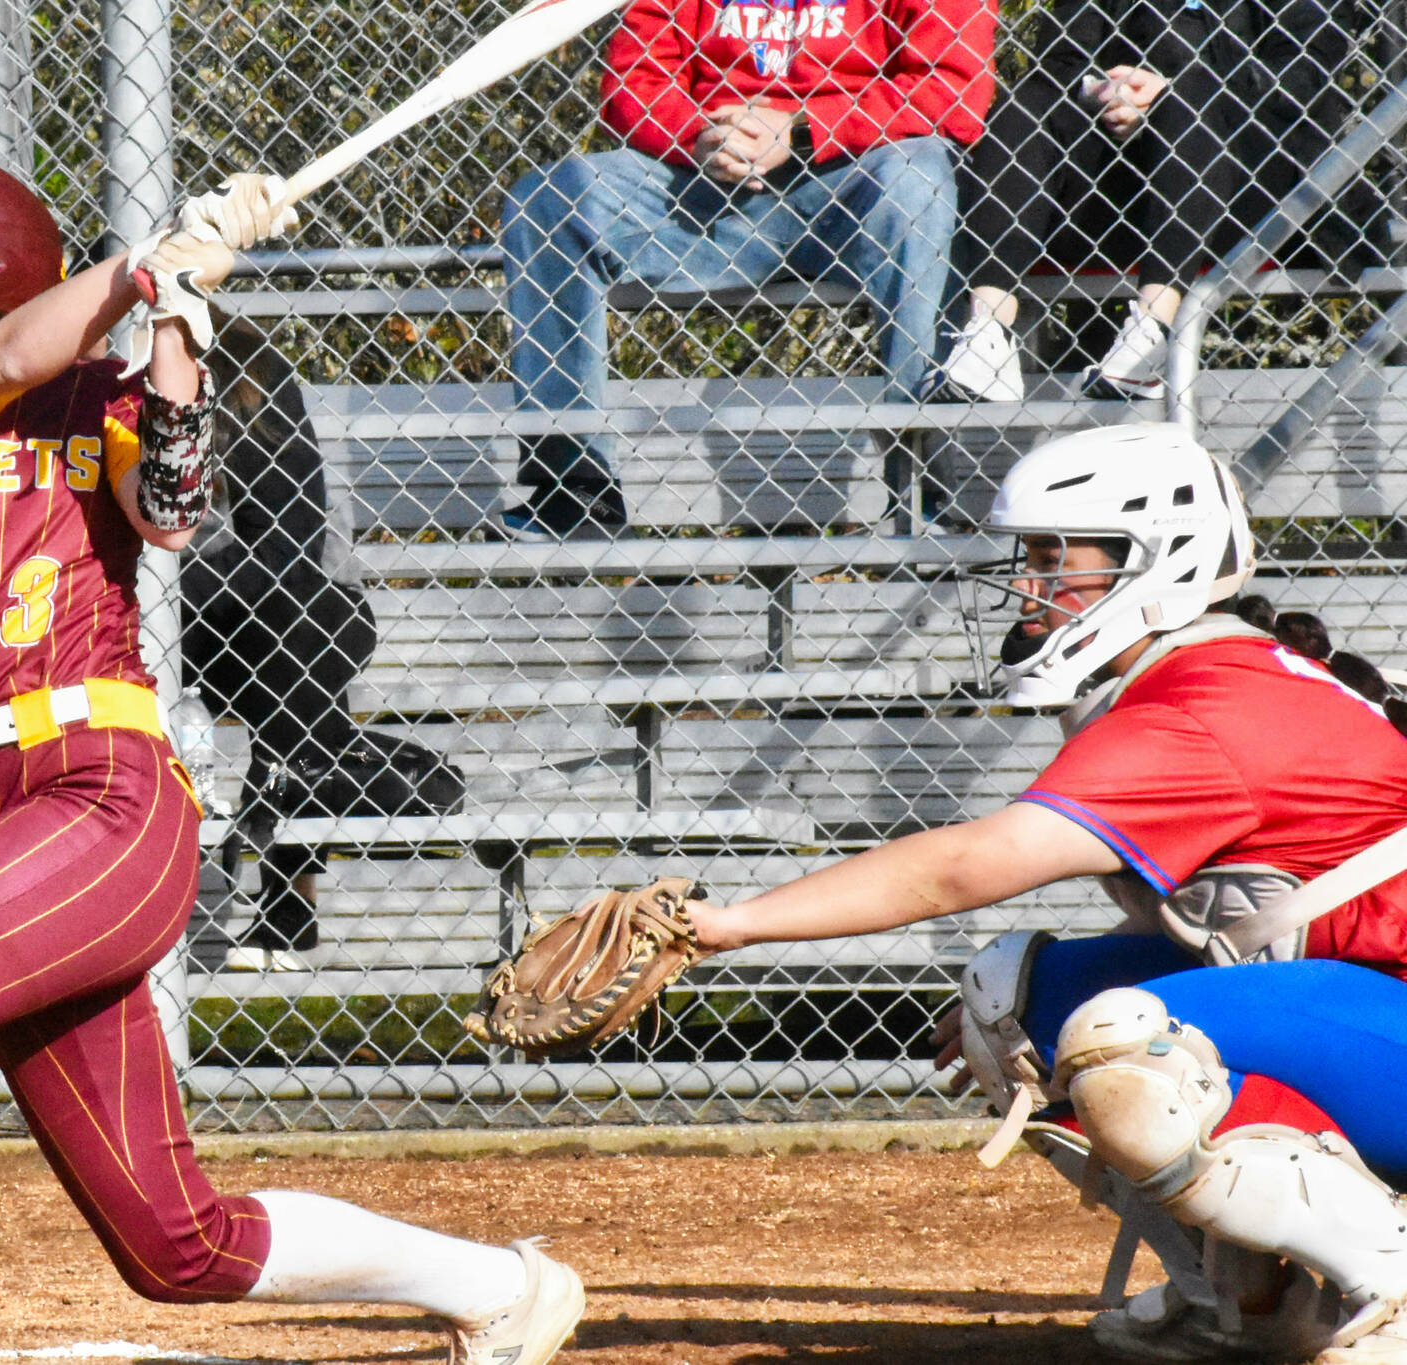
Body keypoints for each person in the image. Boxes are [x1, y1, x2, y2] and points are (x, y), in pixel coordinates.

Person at [0, 150, 586, 1365]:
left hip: (104, 798)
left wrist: (178, 324)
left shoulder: (104, 396)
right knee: (174, 1247)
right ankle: (496, 1287)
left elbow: (173, 509)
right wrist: (145, 267)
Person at [637, 425, 1407, 1360]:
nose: (1030, 587)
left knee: (1123, 1043)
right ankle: (1248, 1294)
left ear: (1158, 561)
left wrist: (726, 924)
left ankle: (1388, 1275)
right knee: (1016, 1002)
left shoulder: (1198, 706)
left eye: (1055, 558)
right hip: (1370, 996)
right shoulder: (1212, 669)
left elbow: (958, 868)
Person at [490, 0, 997, 541]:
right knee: (548, 201)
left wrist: (802, 130)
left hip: (857, 180)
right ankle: (577, 487)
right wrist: (698, 136)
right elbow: (633, 81)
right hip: (704, 190)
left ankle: (922, 482)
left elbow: (954, 89)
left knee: (920, 176)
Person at [931, 0, 1389, 403]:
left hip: (1251, 185)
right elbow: (1060, 59)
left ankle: (1151, 336)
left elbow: (1302, 75)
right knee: (1025, 102)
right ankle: (989, 335)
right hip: (1121, 184)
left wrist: (1168, 91)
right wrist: (1108, 90)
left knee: (1189, 97)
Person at [188, 310, 465, 971]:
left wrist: (179, 581)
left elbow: (290, 538)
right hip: (187, 626)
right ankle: (328, 780)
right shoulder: (84, 375)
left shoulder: (246, 363)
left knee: (296, 619)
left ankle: (295, 845)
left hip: (306, 604)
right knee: (295, 649)